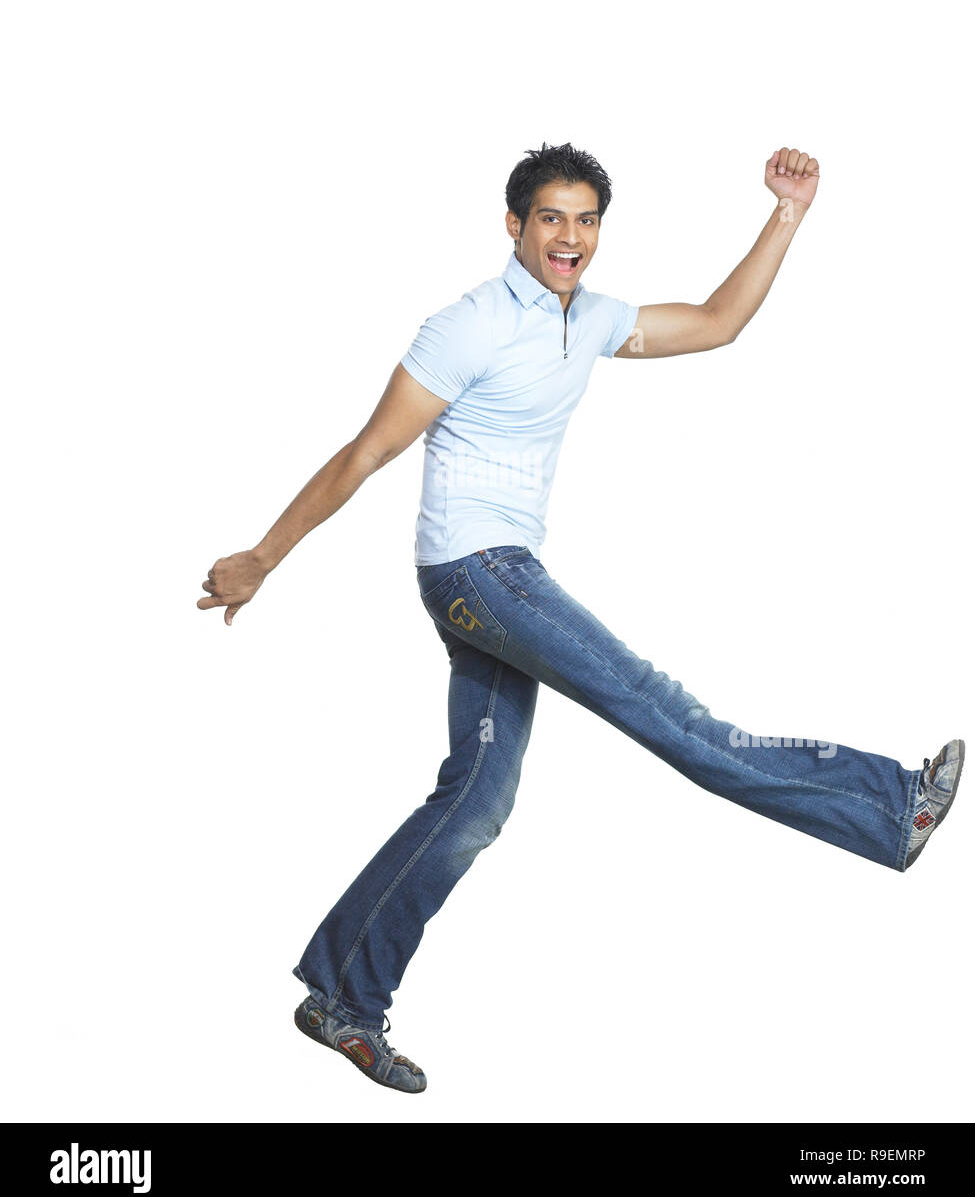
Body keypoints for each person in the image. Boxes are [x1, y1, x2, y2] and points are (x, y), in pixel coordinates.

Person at [197, 141, 964, 1094]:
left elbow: (719, 323)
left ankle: (342, 995)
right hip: (481, 572)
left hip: (490, 582)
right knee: (684, 726)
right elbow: (363, 454)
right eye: (550, 218)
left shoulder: (587, 319)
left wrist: (786, 213)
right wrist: (262, 561)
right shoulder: (468, 326)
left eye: (586, 220)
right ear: (513, 224)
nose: (569, 237)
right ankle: (888, 806)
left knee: (474, 805)